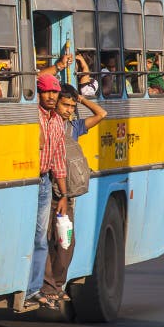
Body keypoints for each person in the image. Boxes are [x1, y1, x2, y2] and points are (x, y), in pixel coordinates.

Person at [40, 84, 107, 307]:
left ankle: (57, 285)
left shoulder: (74, 127)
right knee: (47, 239)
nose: (69, 109)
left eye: (71, 106)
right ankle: (50, 288)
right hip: (48, 190)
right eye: (65, 104)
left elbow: (101, 114)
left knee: (65, 241)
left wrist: (81, 99)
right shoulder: (48, 123)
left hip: (65, 193)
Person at [25, 73, 68, 309]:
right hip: (27, 181)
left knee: (40, 239)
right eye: (46, 92)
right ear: (38, 93)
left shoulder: (57, 121)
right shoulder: (33, 116)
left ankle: (33, 289)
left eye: (54, 92)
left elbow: (59, 161)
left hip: (44, 183)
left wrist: (64, 195)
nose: (51, 96)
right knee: (26, 235)